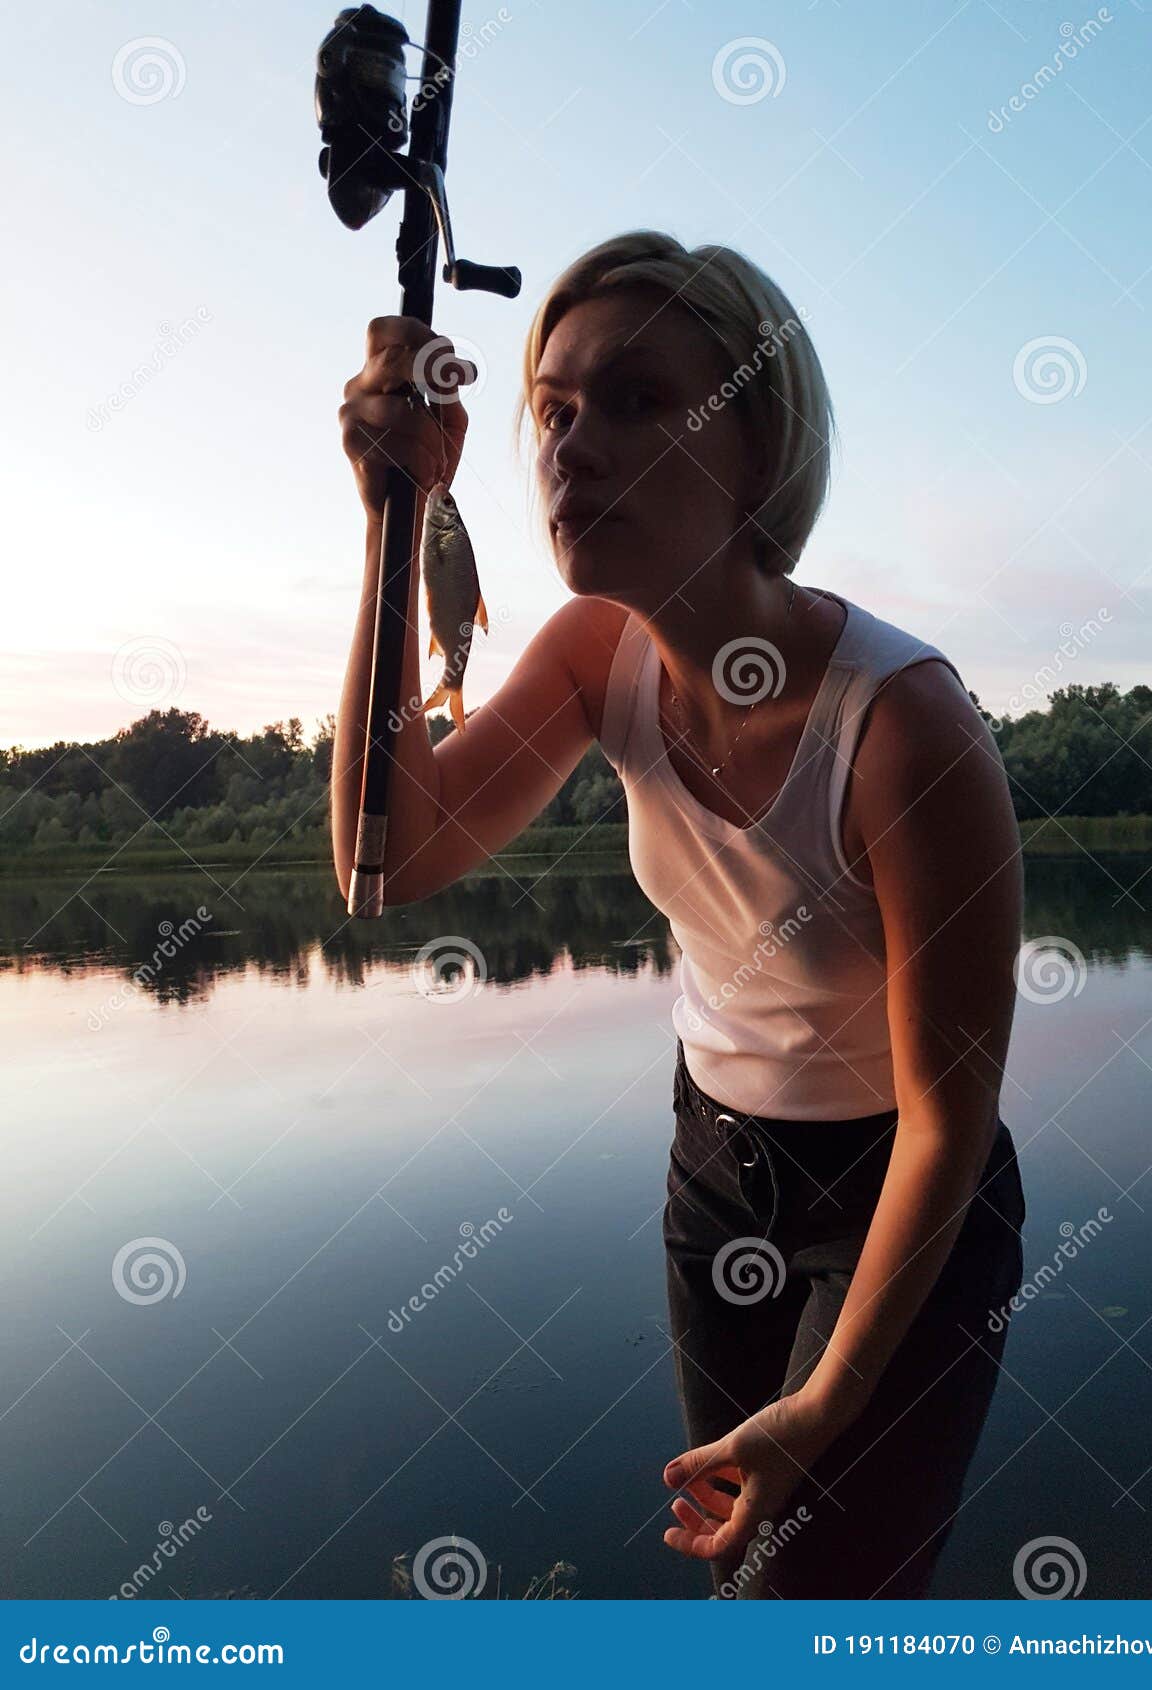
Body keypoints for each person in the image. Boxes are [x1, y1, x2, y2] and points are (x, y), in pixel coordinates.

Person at [331, 229, 1027, 1599]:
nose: (572, 448)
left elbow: (949, 1121)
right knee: (741, 1584)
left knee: (824, 1607)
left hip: (899, 1195)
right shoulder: (602, 657)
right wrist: (393, 520)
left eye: (640, 401)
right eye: (553, 411)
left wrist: (826, 1403)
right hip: (714, 1172)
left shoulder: (904, 728)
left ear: (758, 452)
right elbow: (385, 857)